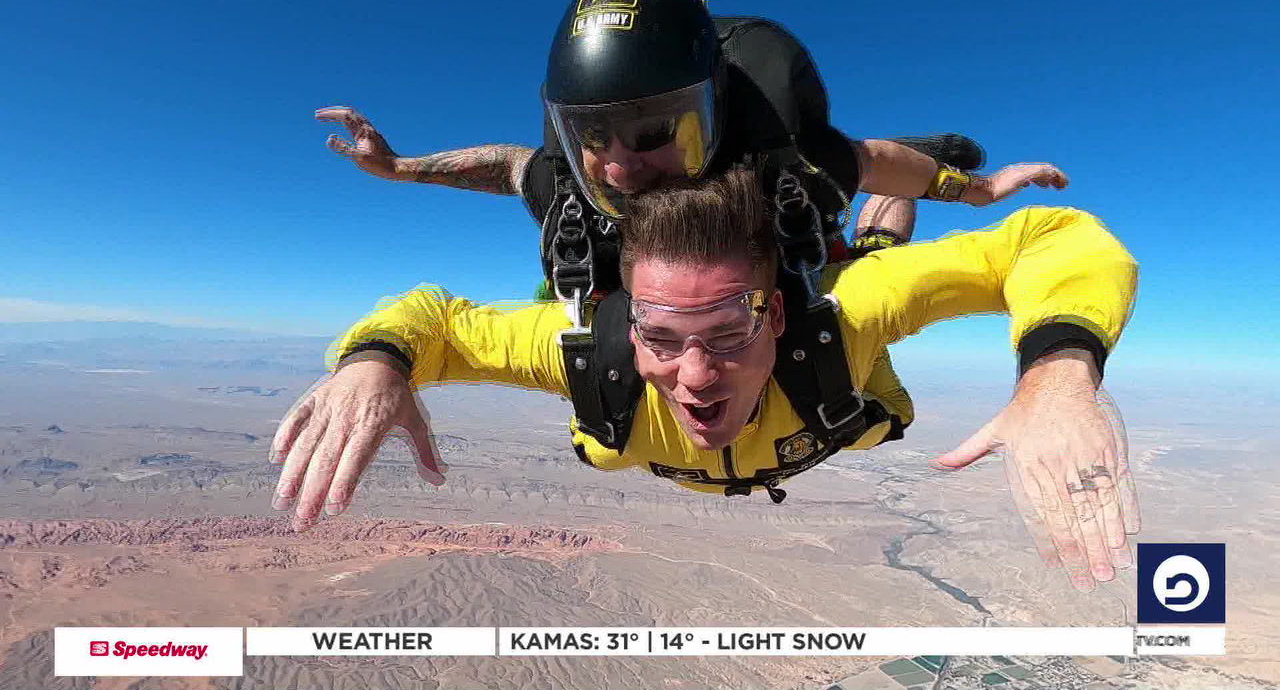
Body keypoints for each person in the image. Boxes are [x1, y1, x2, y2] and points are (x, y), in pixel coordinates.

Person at [270, 165, 1140, 593]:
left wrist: (1059, 375)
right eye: (661, 334)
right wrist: (376, 362)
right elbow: (437, 319)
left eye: (727, 329)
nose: (692, 375)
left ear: (774, 317)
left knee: (877, 269)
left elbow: (1052, 238)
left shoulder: (841, 320)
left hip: (847, 374)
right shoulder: (588, 350)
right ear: (630, 322)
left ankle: (876, 226)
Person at [315, 0, 1068, 300]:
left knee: (869, 245)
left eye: (650, 132)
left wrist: (973, 192)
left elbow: (870, 162)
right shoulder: (576, 187)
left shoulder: (780, 167)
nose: (619, 167)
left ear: (708, 118)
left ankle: (897, 216)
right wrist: (404, 168)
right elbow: (515, 166)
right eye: (594, 138)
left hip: (812, 227)